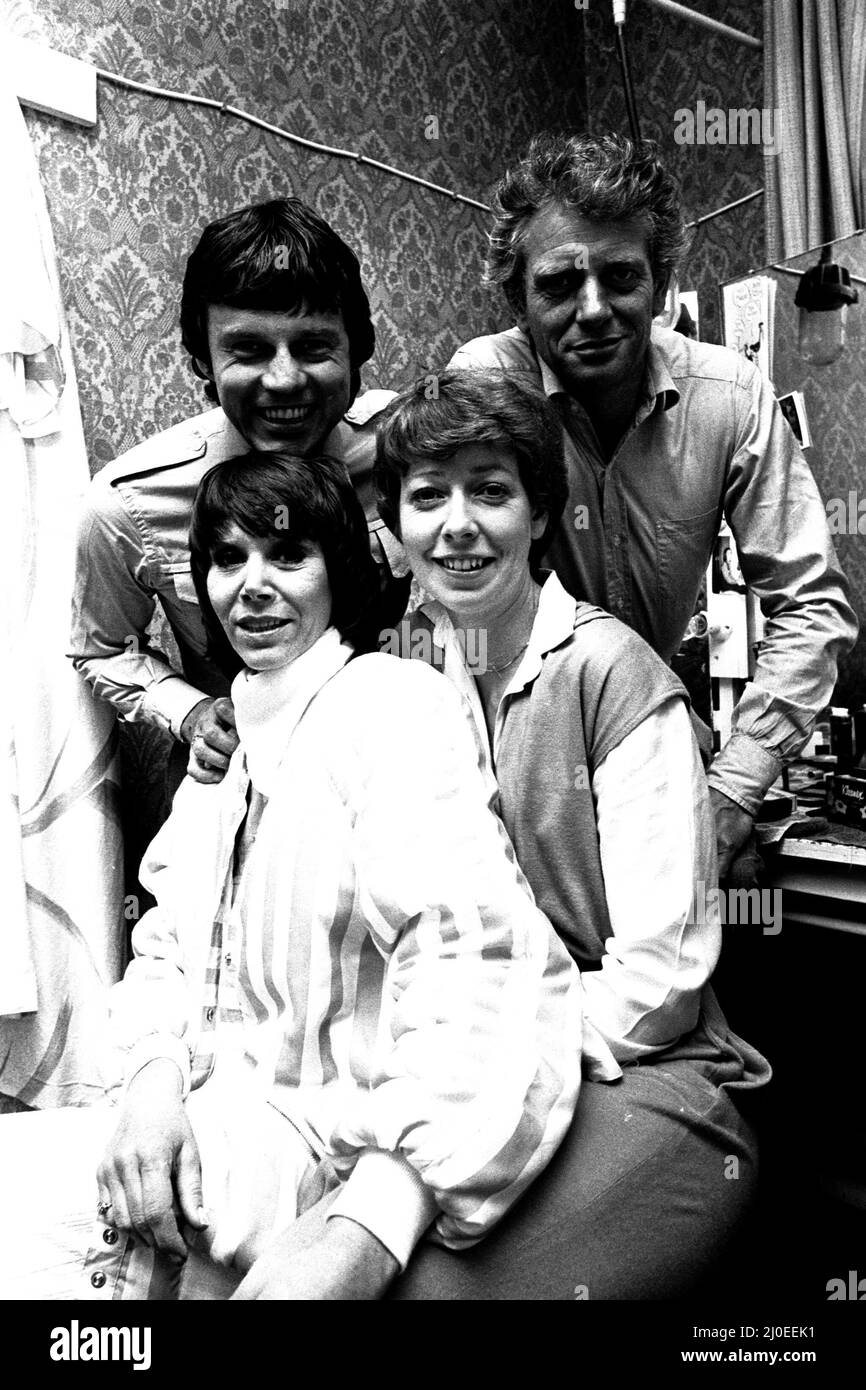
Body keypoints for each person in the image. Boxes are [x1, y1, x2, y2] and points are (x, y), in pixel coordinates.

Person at [0, 451, 582, 1302]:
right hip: (201, 1118)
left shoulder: (388, 704)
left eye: (286, 556)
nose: (253, 585)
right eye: (227, 560)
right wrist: (153, 1088)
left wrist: (376, 1218)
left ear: (338, 572)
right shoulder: (230, 747)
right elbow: (165, 948)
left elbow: (472, 961)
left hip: (317, 1145)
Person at [373, 369, 770, 1300]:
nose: (458, 523)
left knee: (433, 1291)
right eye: (428, 496)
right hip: (461, 1062)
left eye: (492, 490)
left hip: (645, 1074)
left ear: (541, 515)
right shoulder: (411, 665)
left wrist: (490, 1057)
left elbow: (662, 983)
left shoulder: (609, 675)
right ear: (396, 528)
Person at [449, 131, 858, 879]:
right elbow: (441, 595)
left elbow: (812, 606)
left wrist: (735, 786)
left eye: (621, 276)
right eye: (560, 284)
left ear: (661, 282)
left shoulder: (730, 397)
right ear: (516, 297)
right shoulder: (485, 385)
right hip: (512, 761)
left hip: (659, 743)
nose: (595, 308)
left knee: (706, 952)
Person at [70, 197, 407, 789]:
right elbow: (100, 649)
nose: (283, 380)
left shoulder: (413, 452)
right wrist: (191, 713)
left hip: (408, 767)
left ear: (358, 353)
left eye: (313, 347)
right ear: (204, 358)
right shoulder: (129, 503)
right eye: (248, 350)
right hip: (242, 792)